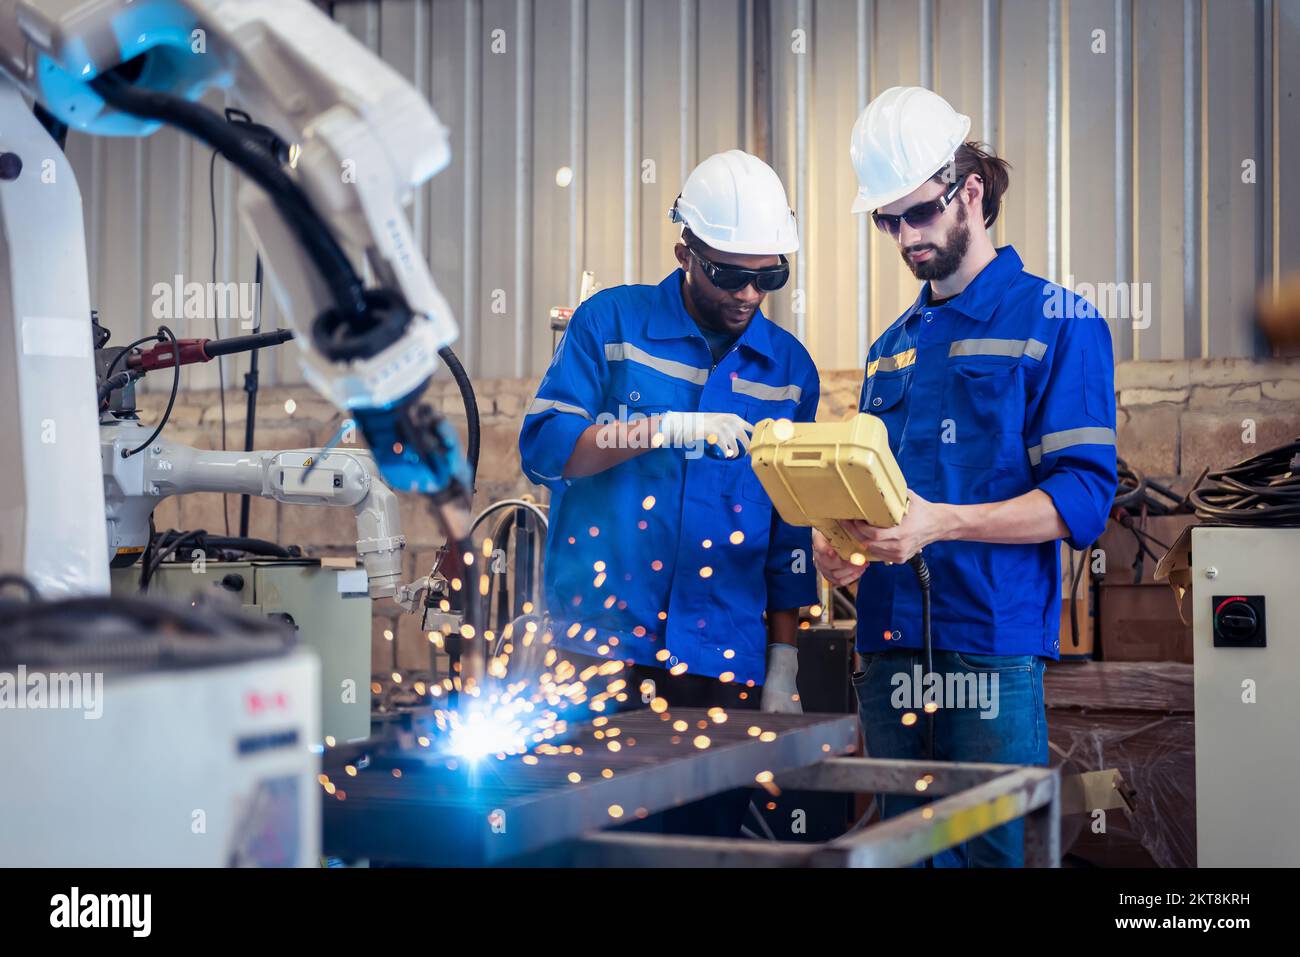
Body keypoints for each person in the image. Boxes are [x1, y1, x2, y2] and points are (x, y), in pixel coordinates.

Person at [817, 86, 1118, 866]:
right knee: (900, 854)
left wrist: (942, 522)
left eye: (918, 212)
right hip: (887, 649)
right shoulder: (891, 347)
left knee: (986, 855)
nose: (904, 236)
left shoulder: (1060, 319)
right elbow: (879, 495)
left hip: (987, 647)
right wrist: (845, 551)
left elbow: (1083, 496)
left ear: (970, 192)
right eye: (887, 221)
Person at [519, 149, 820, 731]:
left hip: (723, 654)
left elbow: (791, 530)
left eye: (768, 276)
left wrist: (784, 661)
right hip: (599, 646)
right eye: (731, 274)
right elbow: (545, 449)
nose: (749, 294)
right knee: (593, 817)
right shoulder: (610, 325)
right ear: (686, 255)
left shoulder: (788, 370)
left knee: (709, 823)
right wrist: (661, 429)